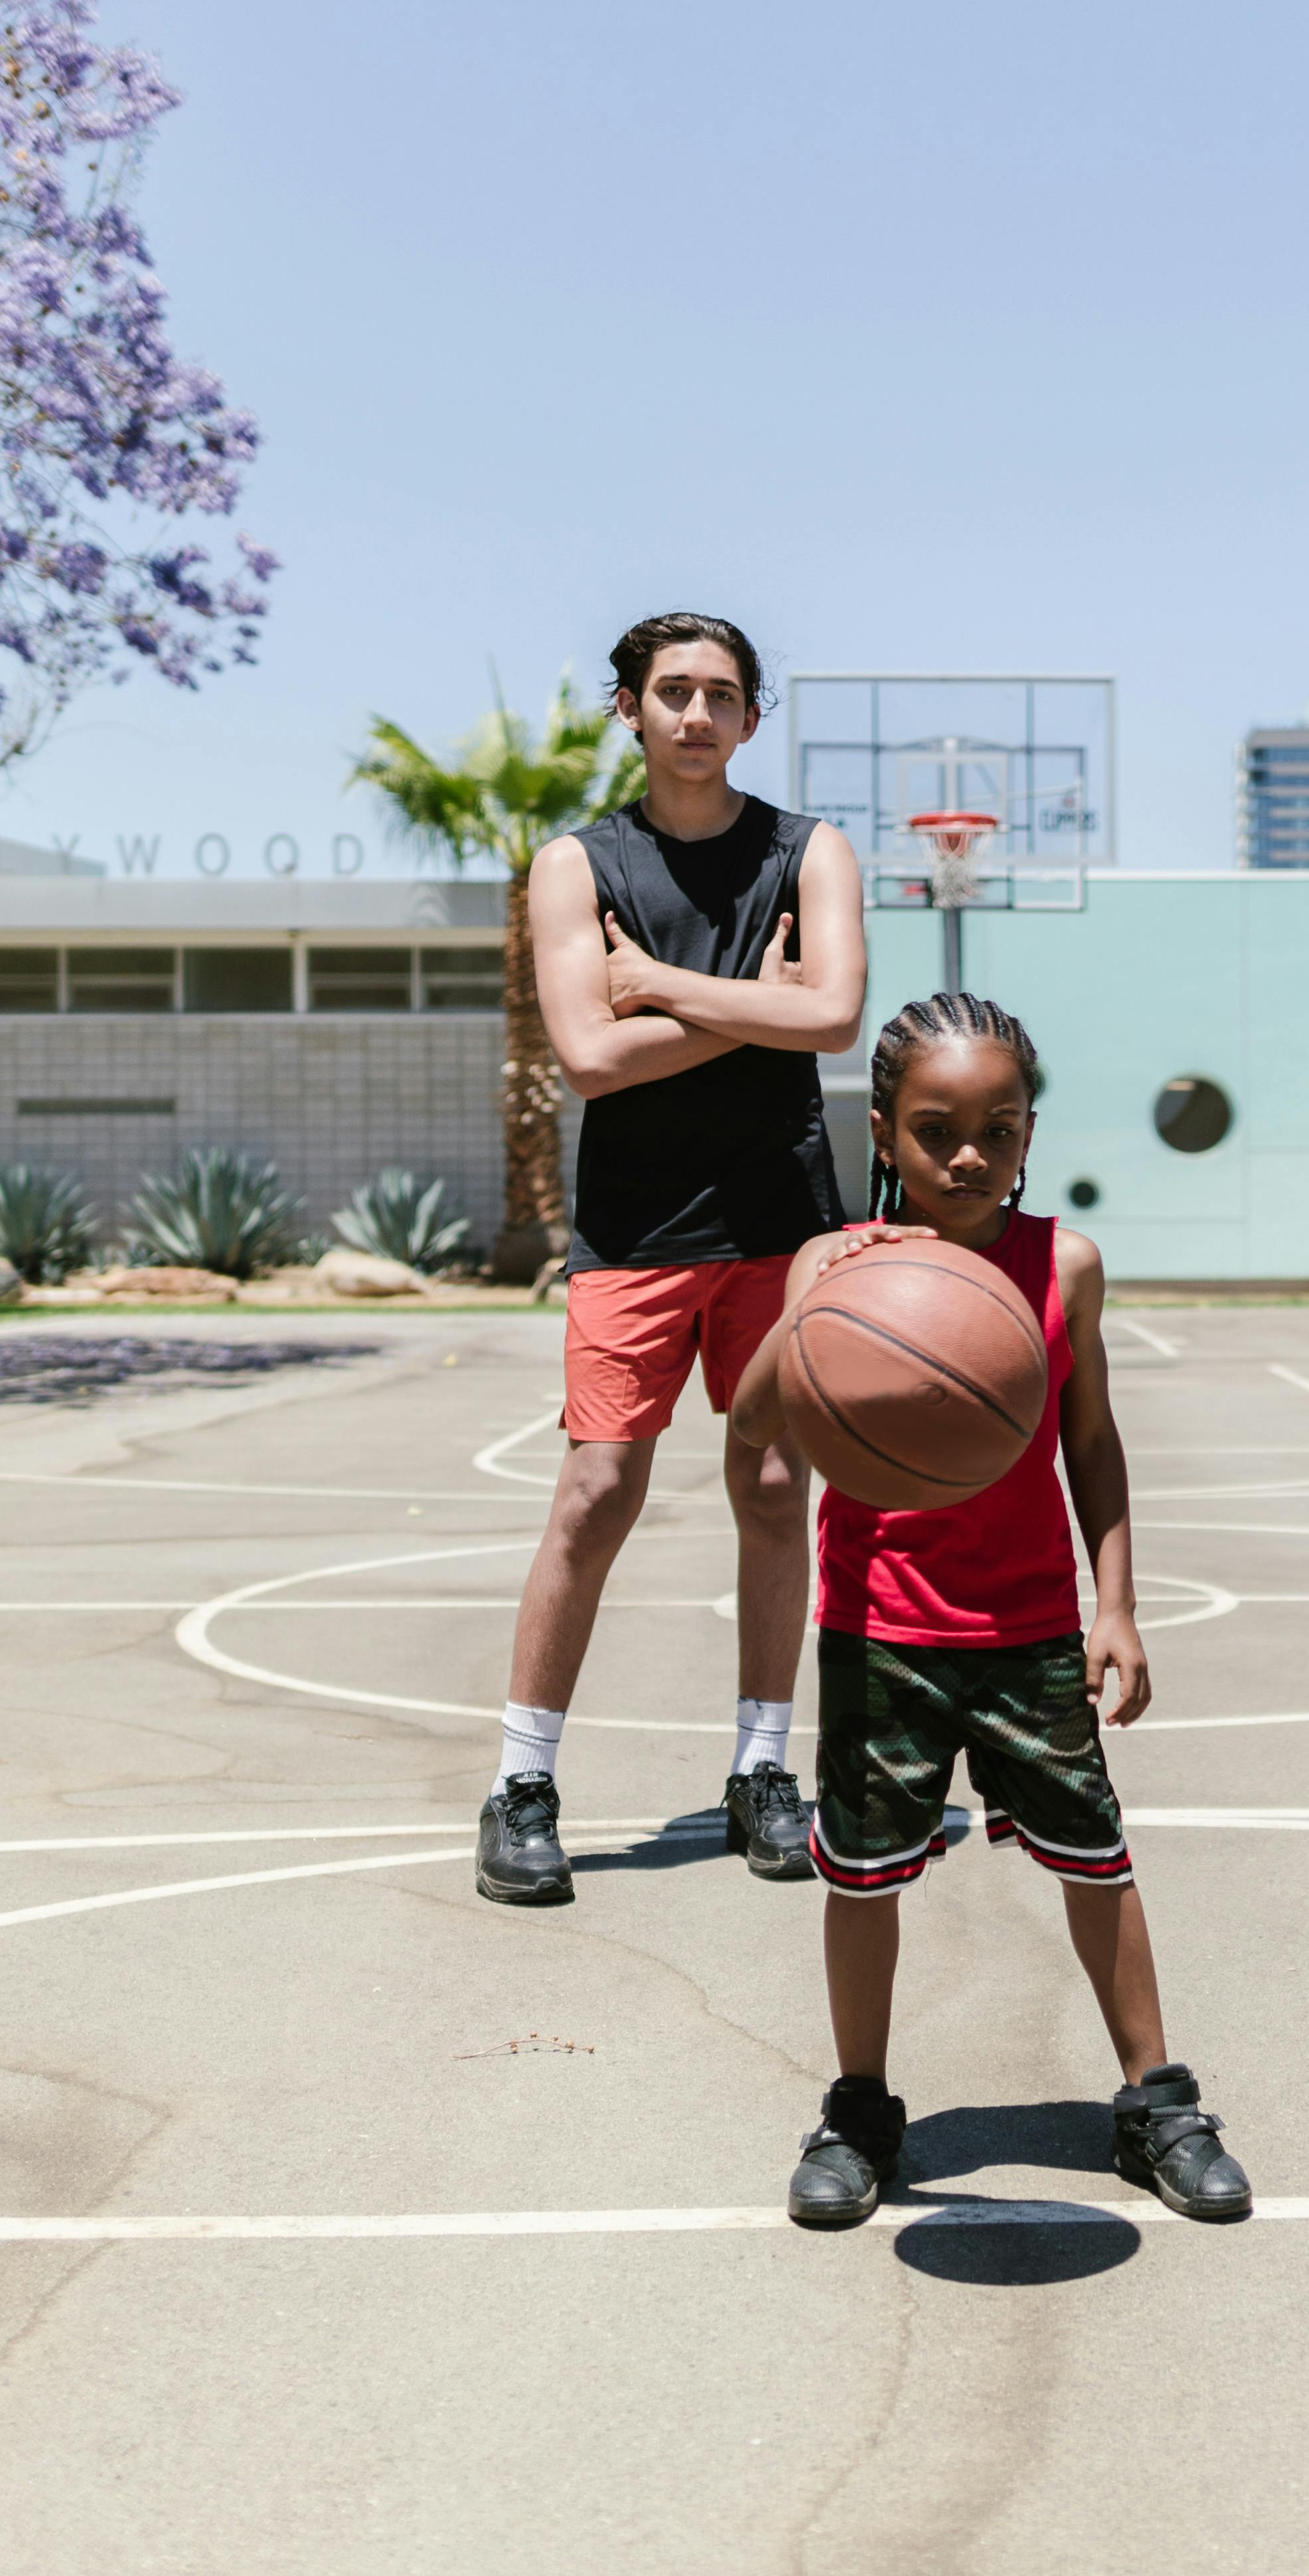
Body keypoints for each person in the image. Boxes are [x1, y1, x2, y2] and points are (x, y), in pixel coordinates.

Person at [725, 993, 1252, 2228]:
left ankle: (1156, 2099)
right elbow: (753, 1421)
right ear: (884, 1133)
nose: (969, 1154)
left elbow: (1094, 1441)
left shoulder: (1063, 1265)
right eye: (935, 1129)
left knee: (1097, 1863)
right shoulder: (832, 1267)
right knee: (861, 1878)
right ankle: (859, 2107)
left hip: (1029, 1631)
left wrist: (1114, 1604)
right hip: (880, 1629)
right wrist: (816, 1308)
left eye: (999, 1129)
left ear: (1029, 1133)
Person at [480, 612, 869, 1905]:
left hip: (781, 1221)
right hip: (635, 1227)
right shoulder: (570, 864)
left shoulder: (809, 849)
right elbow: (587, 1058)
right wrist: (747, 1008)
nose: (695, 713)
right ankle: (521, 1782)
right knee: (596, 1489)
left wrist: (657, 983)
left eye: (719, 694)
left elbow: (833, 1013)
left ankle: (763, 1767)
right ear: (627, 710)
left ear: (751, 717)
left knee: (771, 1486)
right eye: (671, 692)